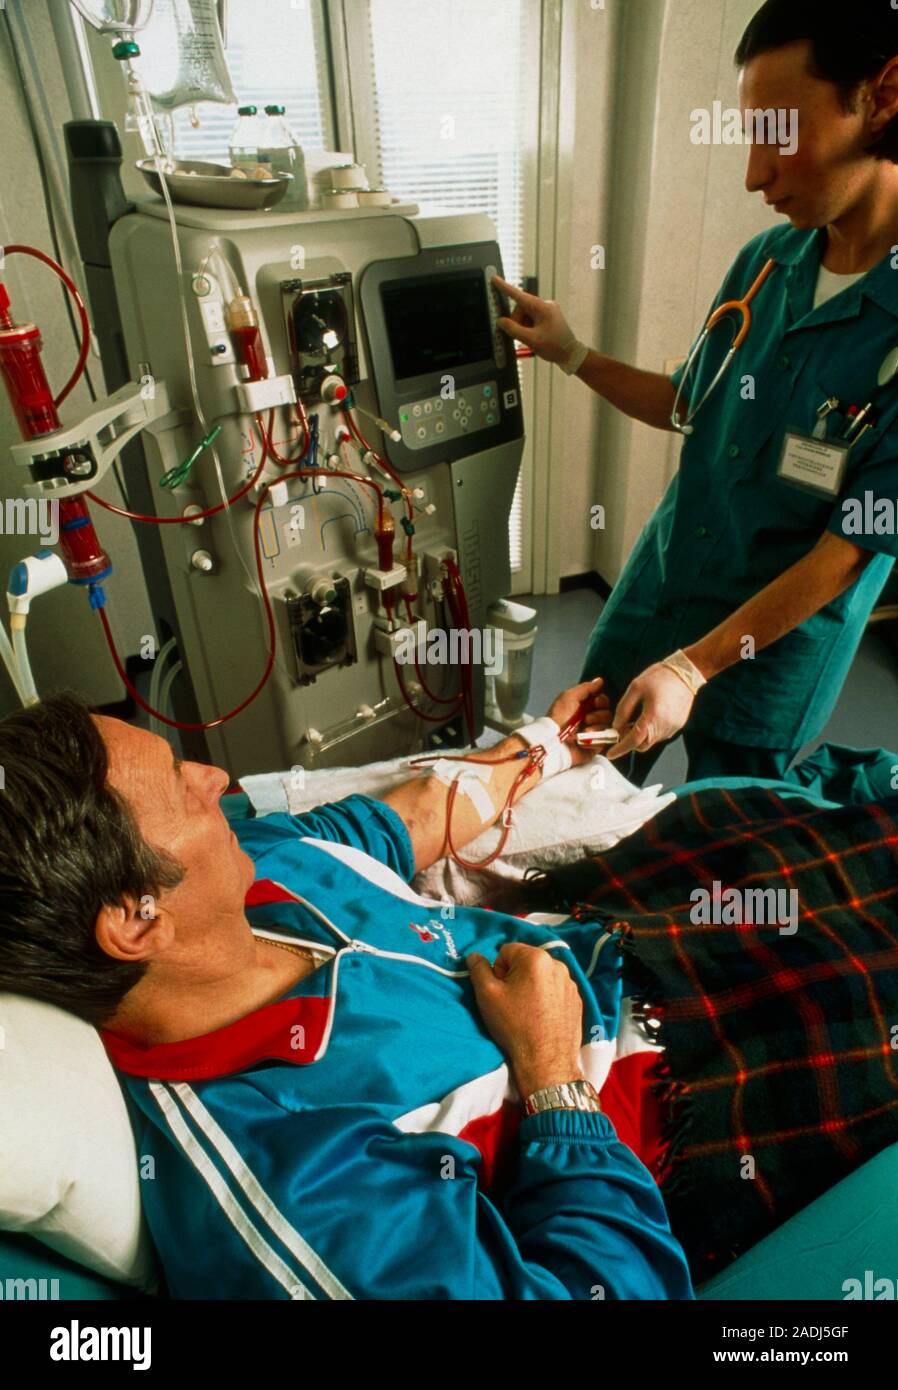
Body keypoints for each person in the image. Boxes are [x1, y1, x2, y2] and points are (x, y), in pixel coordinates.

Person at [0, 686, 692, 1302]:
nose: (217, 777)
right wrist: (554, 1077)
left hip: (639, 943)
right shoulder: (293, 1180)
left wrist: (542, 744)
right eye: (182, 786)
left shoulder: (255, 867)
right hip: (675, 1100)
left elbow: (401, 823)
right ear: (134, 918)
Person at [495, 0, 898, 785]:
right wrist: (573, 352)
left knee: (717, 835)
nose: (754, 174)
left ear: (882, 97)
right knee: (584, 776)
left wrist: (694, 670)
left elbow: (850, 550)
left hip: (772, 650)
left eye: (779, 133)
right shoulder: (766, 263)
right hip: (666, 582)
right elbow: (690, 406)